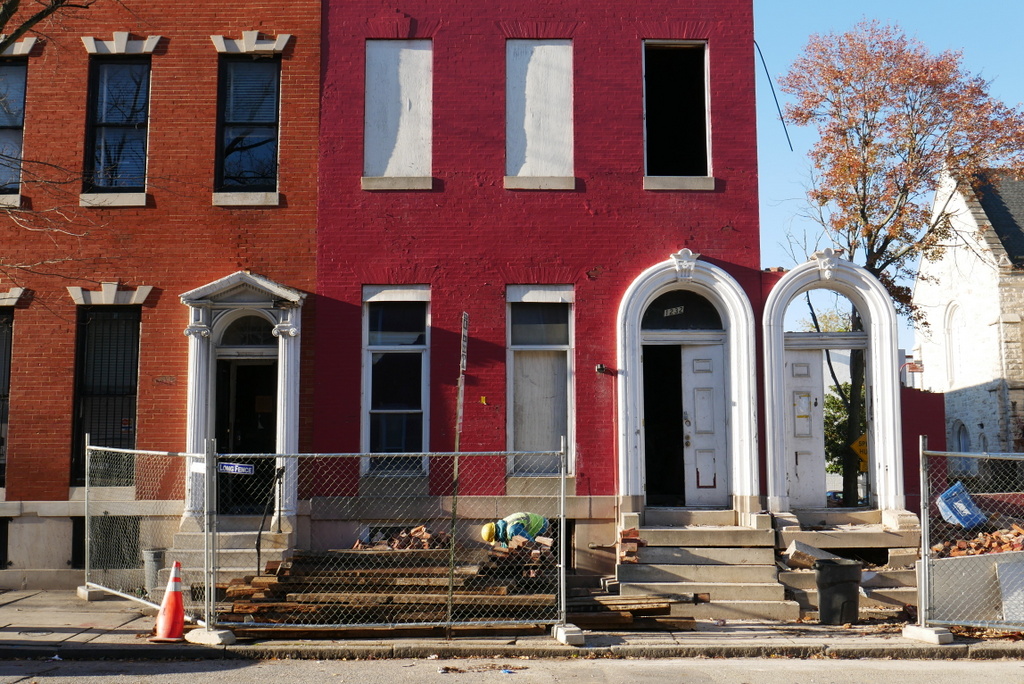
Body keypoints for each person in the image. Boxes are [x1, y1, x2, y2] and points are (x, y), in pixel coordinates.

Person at [481, 511, 549, 546]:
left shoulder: (513, 530)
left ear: (496, 535)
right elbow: (505, 541)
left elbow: (529, 542)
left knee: (526, 546)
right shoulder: (503, 525)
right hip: (536, 521)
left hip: (541, 525)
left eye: (495, 539)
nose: (497, 541)